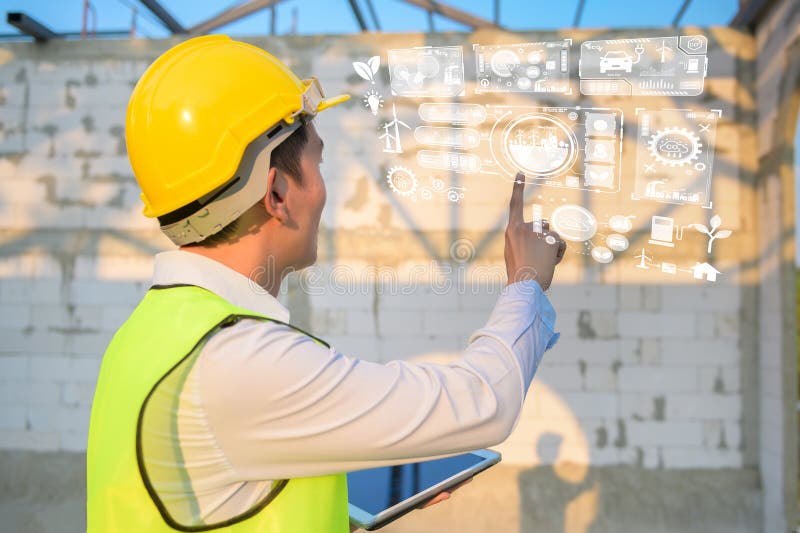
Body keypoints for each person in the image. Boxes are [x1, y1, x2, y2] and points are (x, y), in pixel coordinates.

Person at [86, 35, 566, 533]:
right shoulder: (241, 359)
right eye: (318, 163)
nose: (323, 189)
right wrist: (525, 280)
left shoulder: (147, 337)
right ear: (275, 191)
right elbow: (483, 400)